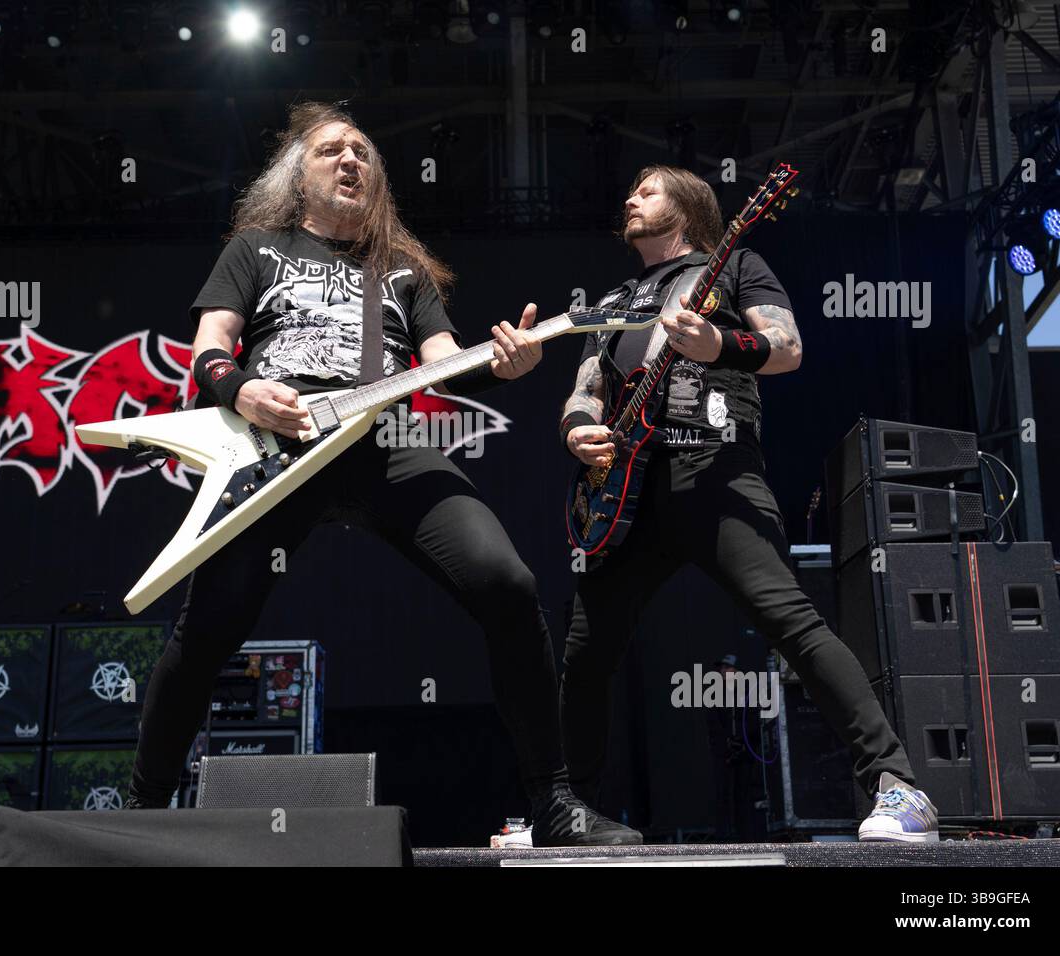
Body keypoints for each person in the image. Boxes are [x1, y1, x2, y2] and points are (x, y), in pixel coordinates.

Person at [123, 101, 641, 846]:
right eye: (333, 149)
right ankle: (143, 814)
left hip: (383, 438)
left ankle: (556, 805)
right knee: (207, 629)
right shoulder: (256, 248)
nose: (352, 160)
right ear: (297, 176)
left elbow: (443, 362)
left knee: (509, 583)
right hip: (279, 441)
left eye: (364, 152)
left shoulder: (400, 269)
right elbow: (210, 343)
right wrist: (239, 389)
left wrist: (507, 363)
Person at [556, 164, 939, 843]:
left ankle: (897, 785)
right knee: (587, 651)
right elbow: (590, 383)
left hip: (715, 468)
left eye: (645, 190)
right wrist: (576, 427)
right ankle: (569, 809)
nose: (629, 197)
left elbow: (788, 348)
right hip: (626, 490)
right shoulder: (614, 297)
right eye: (631, 190)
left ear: (686, 207)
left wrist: (720, 344)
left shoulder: (737, 265)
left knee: (791, 624)